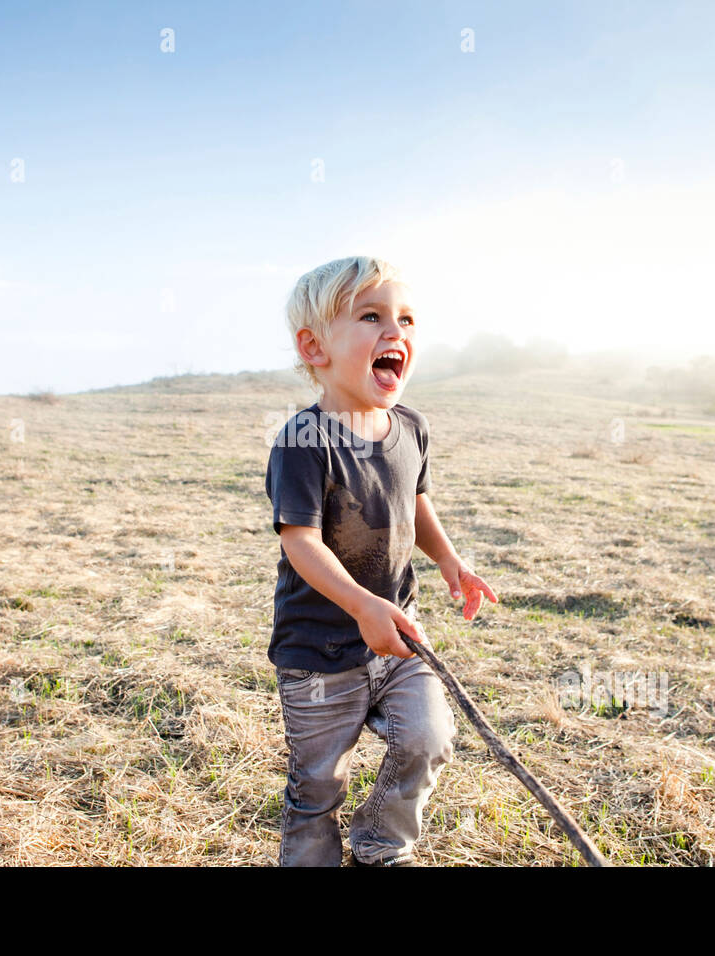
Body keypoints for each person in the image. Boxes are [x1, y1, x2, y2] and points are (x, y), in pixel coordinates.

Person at [265, 255, 498, 867]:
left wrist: (450, 561)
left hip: (397, 640)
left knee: (429, 736)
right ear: (315, 347)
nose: (396, 332)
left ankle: (381, 849)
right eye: (371, 317)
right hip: (318, 653)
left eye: (408, 319)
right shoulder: (302, 441)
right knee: (317, 785)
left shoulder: (411, 429)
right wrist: (363, 604)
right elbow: (301, 542)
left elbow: (415, 501)